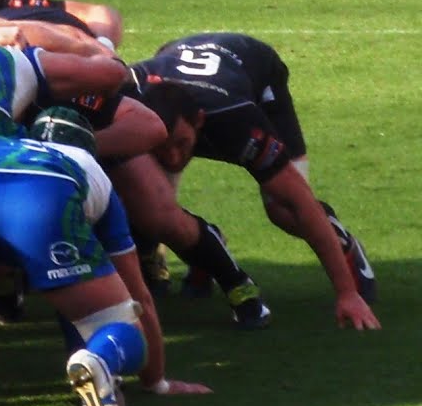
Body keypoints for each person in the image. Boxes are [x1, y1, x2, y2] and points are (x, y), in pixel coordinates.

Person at [0, 108, 209, 406]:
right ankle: (100, 359)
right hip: (47, 193)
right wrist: (157, 381)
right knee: (121, 322)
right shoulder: (92, 169)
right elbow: (138, 294)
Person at [128, 33, 379, 330]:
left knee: (282, 210)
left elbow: (299, 201)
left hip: (256, 73)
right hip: (176, 56)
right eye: (163, 146)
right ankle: (195, 253)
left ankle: (345, 244)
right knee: (149, 203)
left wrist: (346, 293)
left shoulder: (236, 120)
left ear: (197, 122)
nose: (172, 156)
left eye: (182, 144)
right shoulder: (130, 100)